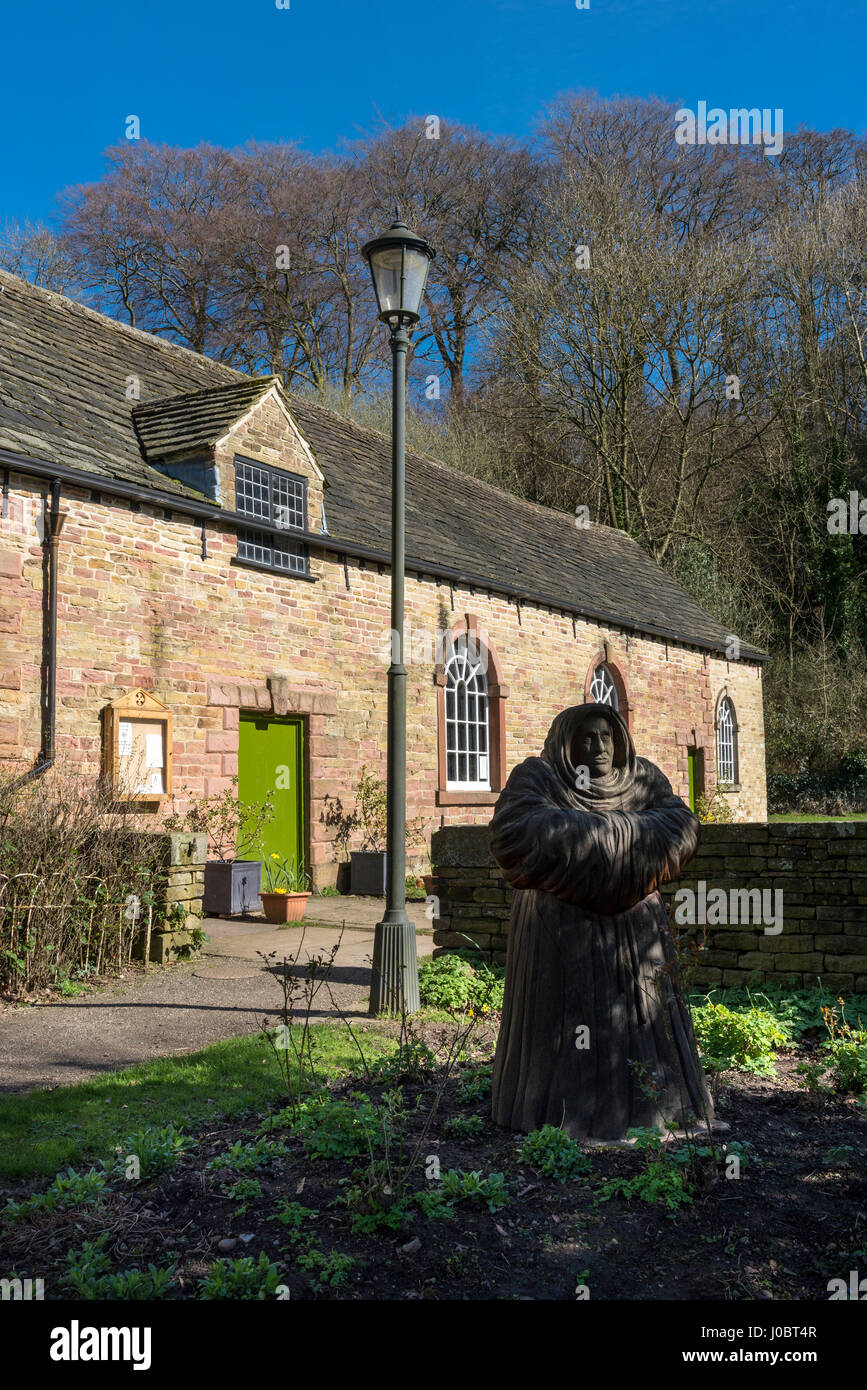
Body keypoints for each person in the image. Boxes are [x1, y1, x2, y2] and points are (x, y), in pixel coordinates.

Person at [489, 701, 713, 1141]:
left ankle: (656, 1112)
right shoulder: (539, 778)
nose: (598, 745)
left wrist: (595, 838)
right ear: (567, 741)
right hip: (558, 937)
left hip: (636, 938)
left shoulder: (643, 778)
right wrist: (625, 839)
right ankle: (557, 1116)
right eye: (587, 737)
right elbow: (513, 834)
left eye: (606, 736)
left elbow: (682, 825)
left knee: (642, 1031)